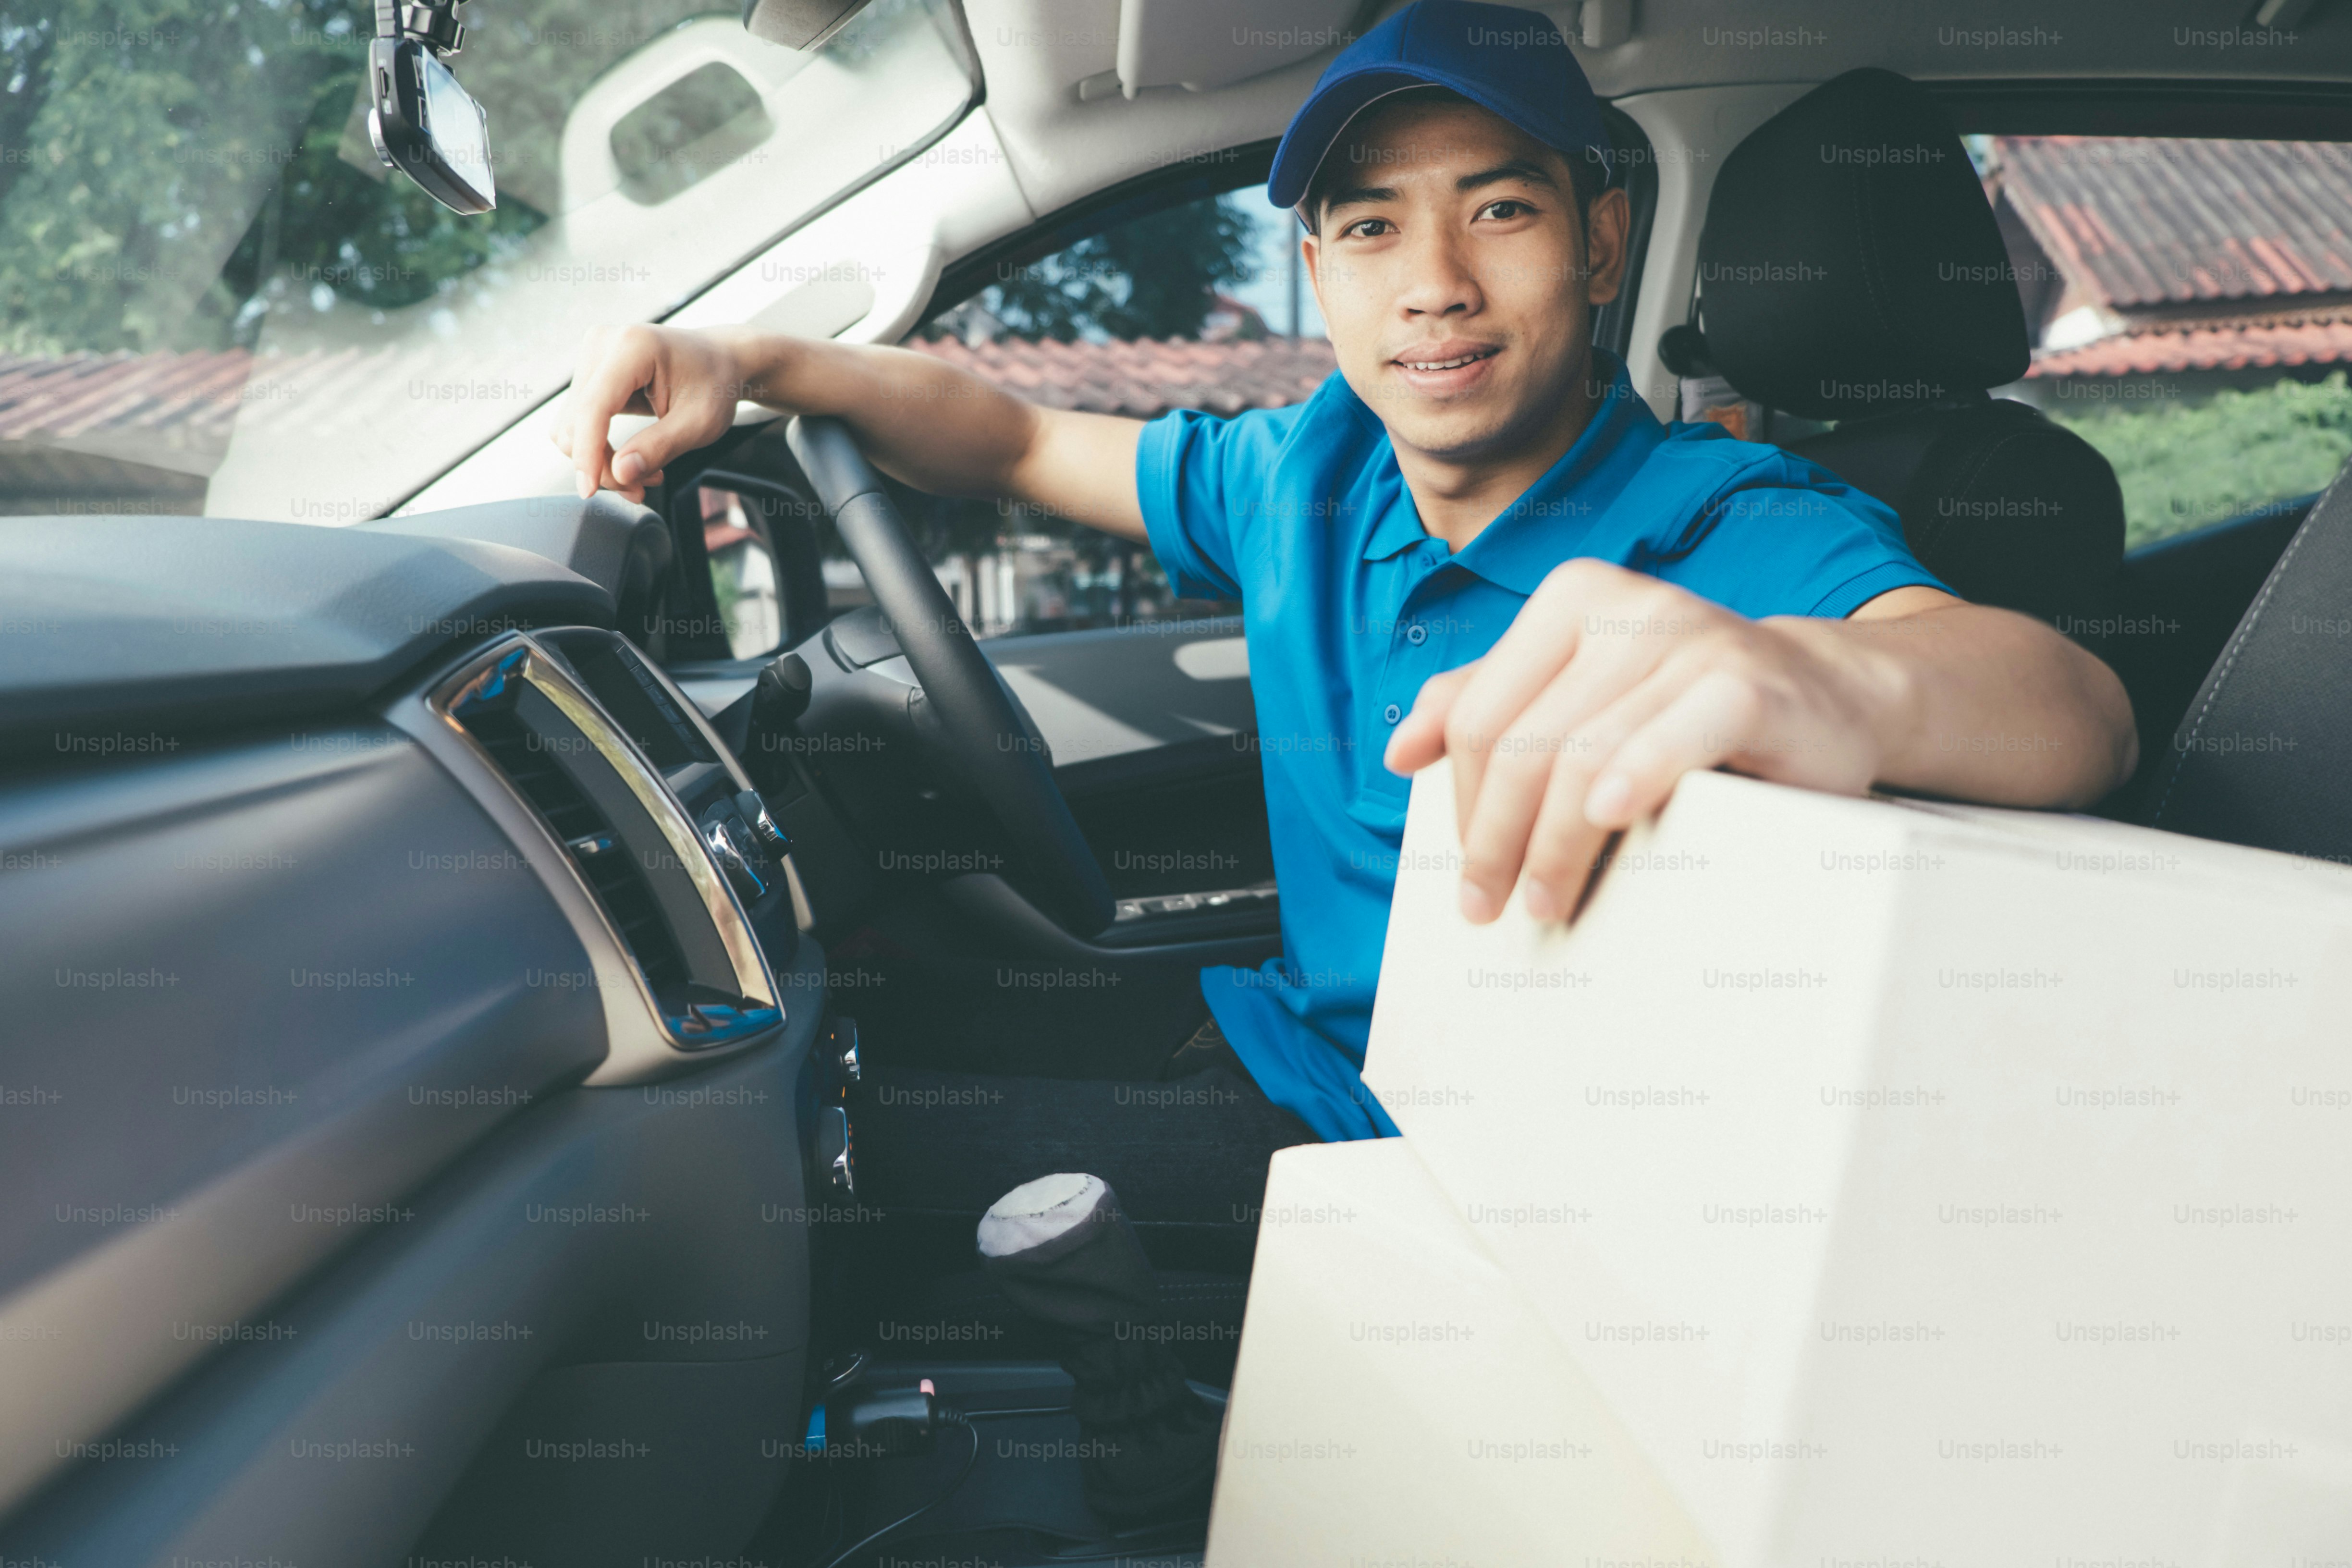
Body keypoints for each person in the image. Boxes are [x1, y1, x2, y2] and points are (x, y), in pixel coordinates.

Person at [556, 0, 2134, 1179]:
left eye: (1499, 210)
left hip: (1460, 1169)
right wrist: (752, 359)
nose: (1434, 280)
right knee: (837, 1072)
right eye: (1373, 226)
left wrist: (1824, 682)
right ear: (1321, 276)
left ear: (1602, 244)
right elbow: (1014, 433)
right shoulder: (1308, 475)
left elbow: (2075, 715)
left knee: (784, 1177)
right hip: (1283, 1050)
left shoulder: (1716, 521)